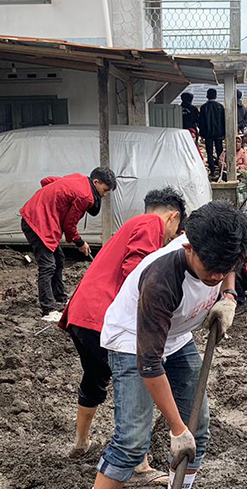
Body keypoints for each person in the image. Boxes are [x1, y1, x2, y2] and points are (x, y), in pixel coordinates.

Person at [69, 202, 247, 489]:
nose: (216, 275)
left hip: (176, 336)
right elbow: (150, 364)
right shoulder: (161, 278)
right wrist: (175, 428)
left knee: (199, 430)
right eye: (211, 268)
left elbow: (231, 264)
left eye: (224, 268)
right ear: (188, 247)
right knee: (132, 442)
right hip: (132, 340)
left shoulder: (221, 253)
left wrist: (229, 296)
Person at [59, 187, 187, 462]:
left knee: (95, 377)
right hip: (102, 316)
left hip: (81, 314)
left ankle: (81, 442)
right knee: (137, 380)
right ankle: (138, 463)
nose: (169, 240)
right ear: (173, 217)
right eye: (173, 234)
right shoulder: (151, 224)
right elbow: (138, 271)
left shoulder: (133, 223)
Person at [20, 167, 117, 321]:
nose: (104, 194)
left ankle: (60, 298)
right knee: (48, 266)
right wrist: (80, 243)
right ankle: (48, 310)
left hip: (38, 216)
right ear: (96, 182)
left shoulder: (78, 178)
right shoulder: (86, 197)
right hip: (38, 222)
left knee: (58, 259)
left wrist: (52, 202)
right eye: (105, 190)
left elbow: (47, 181)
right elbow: (69, 225)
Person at [199, 88, 226, 177]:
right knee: (220, 152)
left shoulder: (203, 107)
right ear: (216, 96)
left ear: (207, 96)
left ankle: (212, 170)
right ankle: (221, 169)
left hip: (208, 134)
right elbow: (223, 121)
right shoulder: (220, 107)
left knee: (209, 152)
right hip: (219, 134)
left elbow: (201, 122)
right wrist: (224, 133)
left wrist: (202, 133)